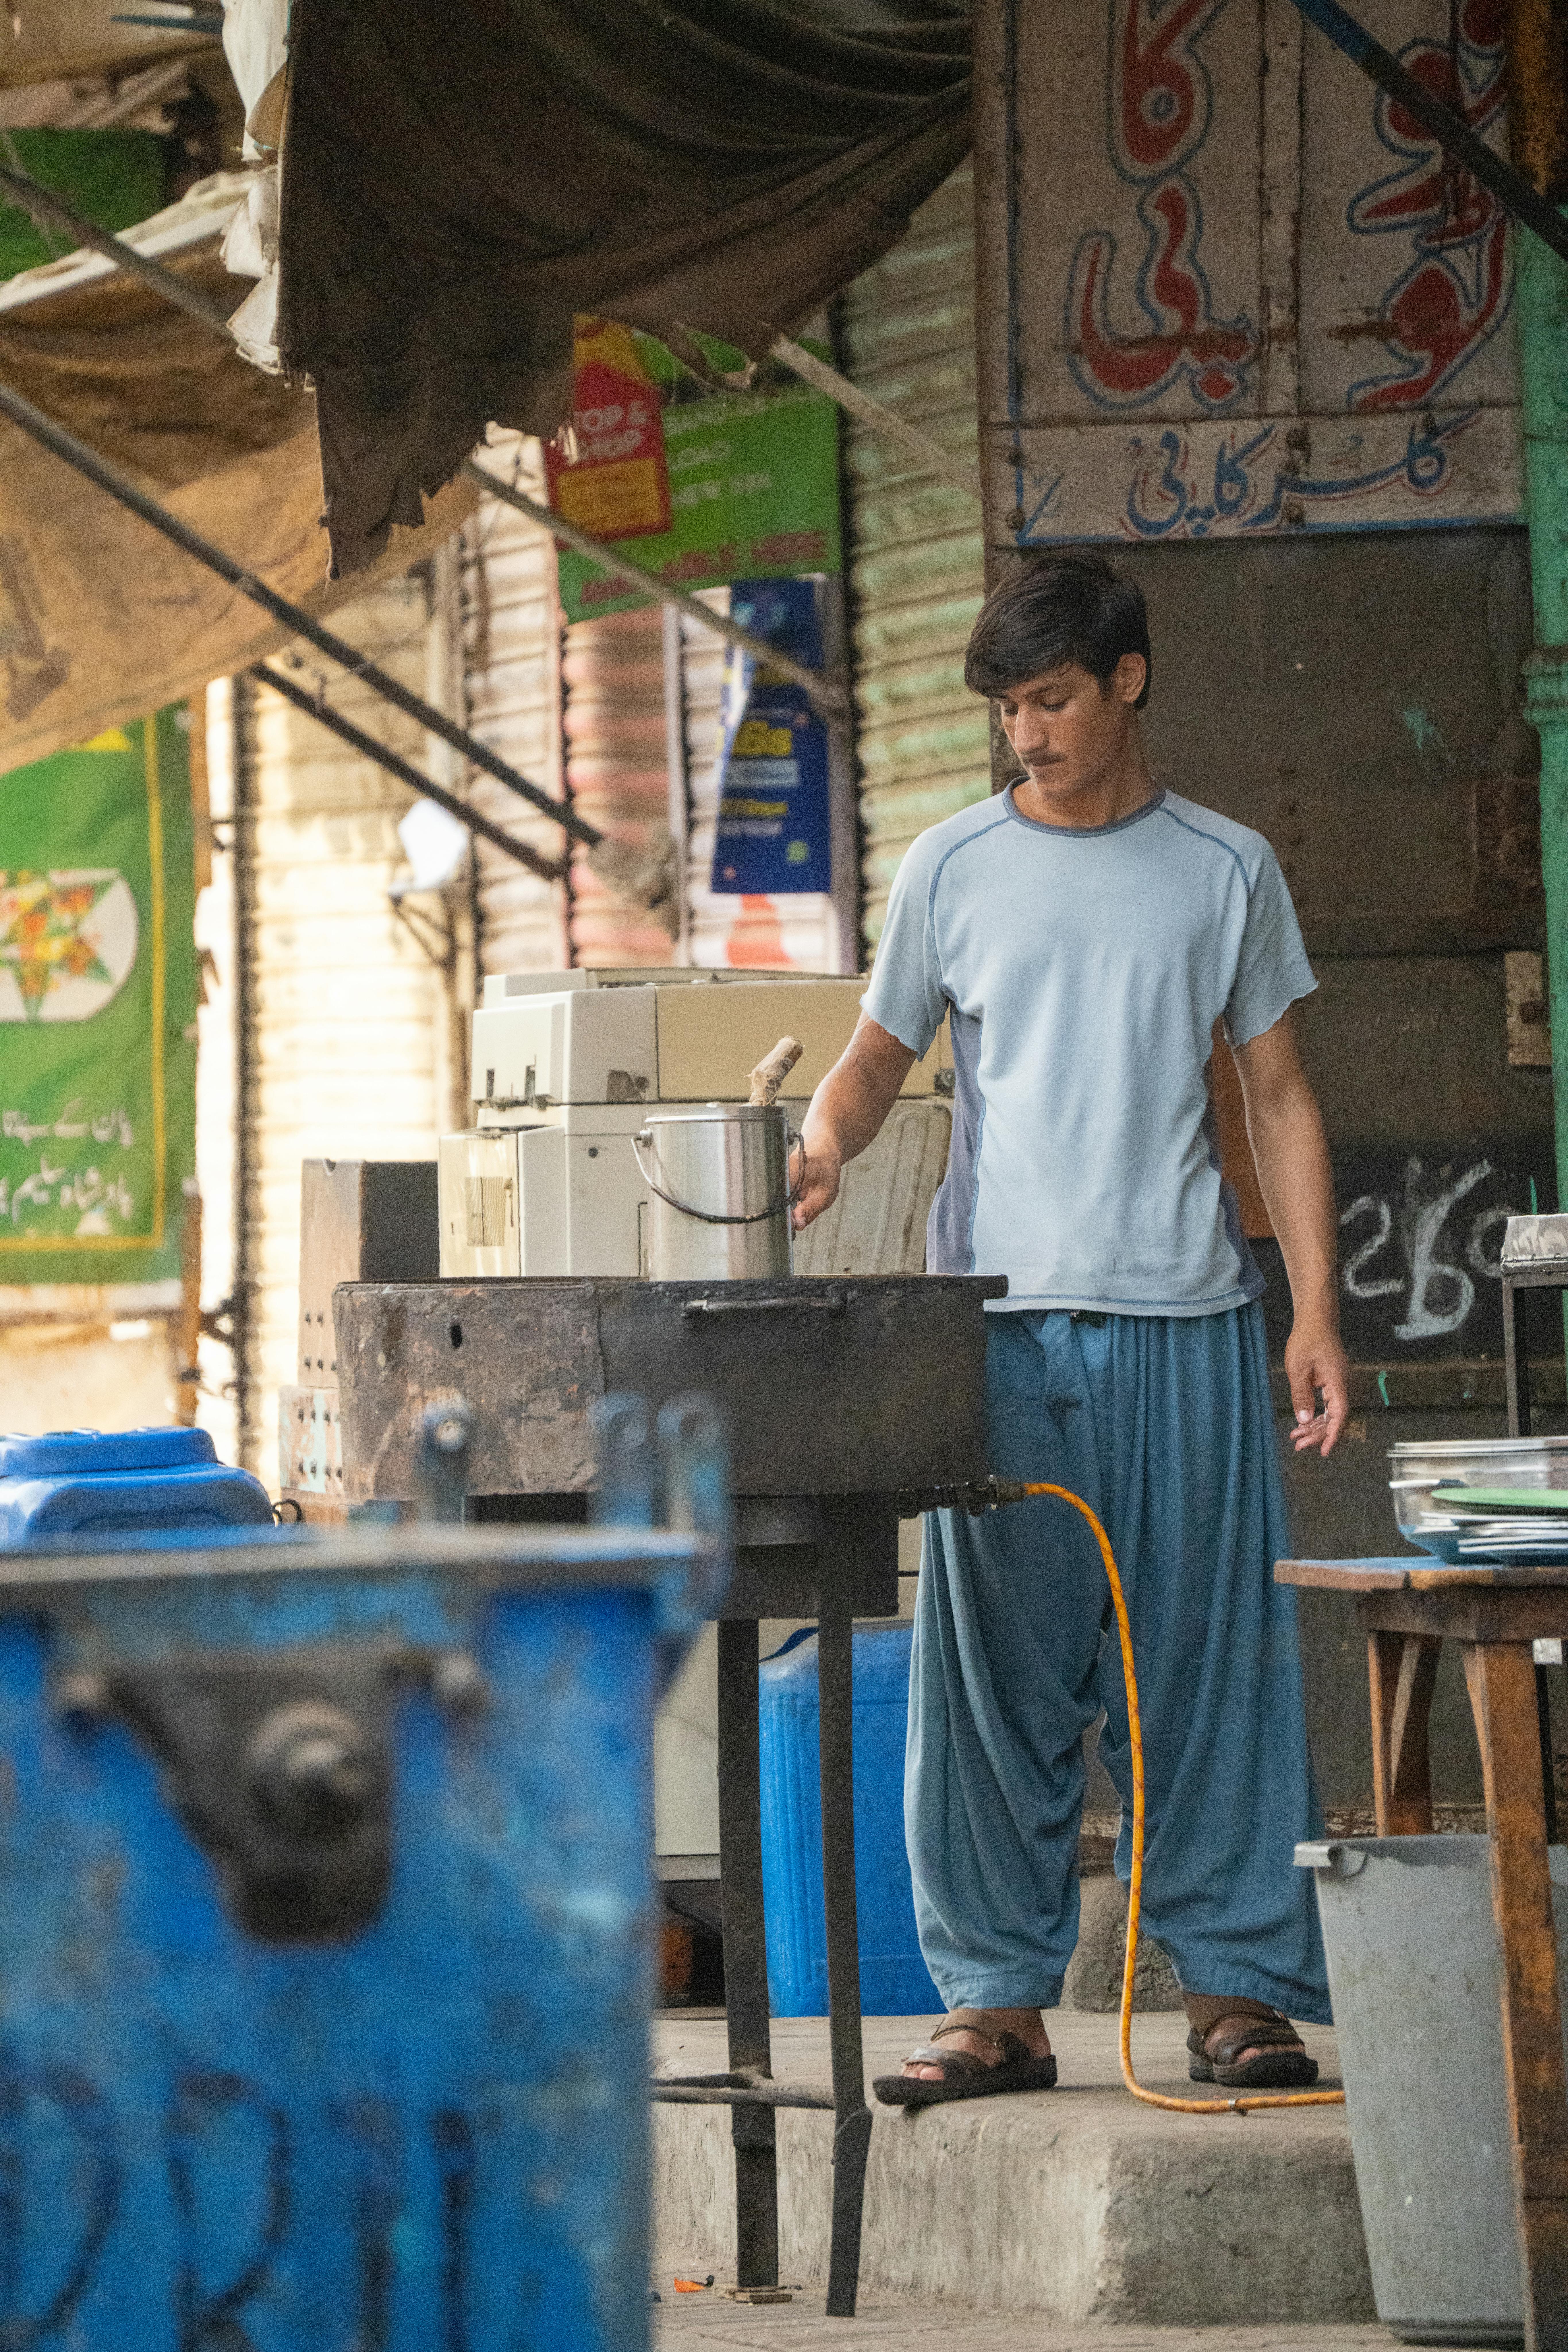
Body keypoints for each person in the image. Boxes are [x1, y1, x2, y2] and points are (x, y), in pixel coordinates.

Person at [792, 550, 1347, 2105]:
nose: (1023, 732)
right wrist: (826, 1141)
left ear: (1127, 681)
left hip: (1185, 1314)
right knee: (991, 1673)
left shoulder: (1223, 868)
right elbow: (874, 1056)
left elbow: (1280, 1095)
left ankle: (1237, 1989)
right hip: (1000, 1333)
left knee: (1212, 1663)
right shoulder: (951, 867)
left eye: (1048, 699)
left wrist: (1313, 1304)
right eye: (1004, 707)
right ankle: (995, 2002)